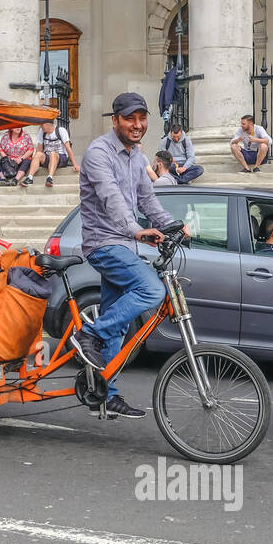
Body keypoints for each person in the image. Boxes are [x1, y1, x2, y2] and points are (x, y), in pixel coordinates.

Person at [70, 92, 178, 419]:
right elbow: (111, 199)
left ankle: (105, 392)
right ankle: (89, 333)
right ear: (115, 120)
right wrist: (135, 230)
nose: (137, 125)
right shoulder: (98, 153)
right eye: (130, 118)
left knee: (118, 326)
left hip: (126, 245)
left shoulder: (135, 155)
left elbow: (148, 199)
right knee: (152, 289)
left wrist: (172, 225)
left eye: (142, 118)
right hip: (105, 244)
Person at [23, 119, 79, 188]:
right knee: (38, 154)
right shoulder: (42, 132)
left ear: (48, 124)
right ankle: (30, 178)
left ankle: (49, 178)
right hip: (48, 157)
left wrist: (75, 165)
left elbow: (68, 148)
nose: (41, 126)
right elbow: (39, 149)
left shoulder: (61, 130)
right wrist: (36, 161)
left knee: (53, 153)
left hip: (61, 157)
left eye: (42, 125)